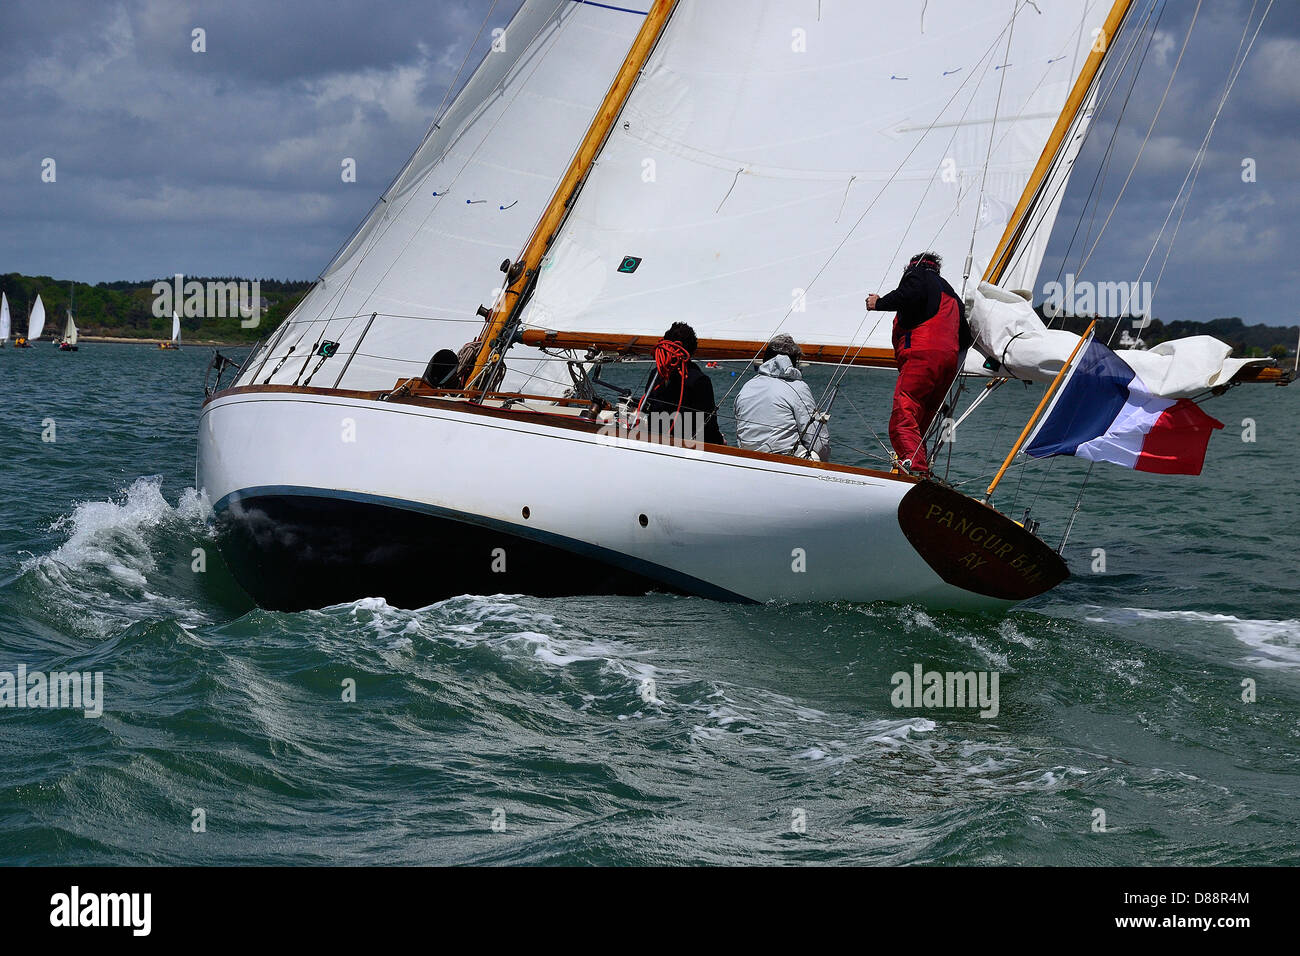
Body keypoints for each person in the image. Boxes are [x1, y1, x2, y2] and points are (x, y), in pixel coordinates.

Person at [866, 251, 971, 476]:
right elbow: (965, 336)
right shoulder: (951, 294)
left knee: (904, 415)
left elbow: (908, 294)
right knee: (920, 422)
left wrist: (878, 303)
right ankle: (919, 468)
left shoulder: (917, 275)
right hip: (948, 363)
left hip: (922, 356)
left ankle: (914, 471)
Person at [734, 334, 830, 460]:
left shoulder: (747, 386)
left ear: (765, 361)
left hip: (747, 458)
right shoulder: (798, 387)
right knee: (814, 457)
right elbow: (818, 442)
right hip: (783, 462)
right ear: (793, 363)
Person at [639, 322, 726, 445]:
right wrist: (719, 442)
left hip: (654, 442)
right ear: (693, 349)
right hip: (685, 448)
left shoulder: (656, 374)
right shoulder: (699, 380)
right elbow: (708, 426)